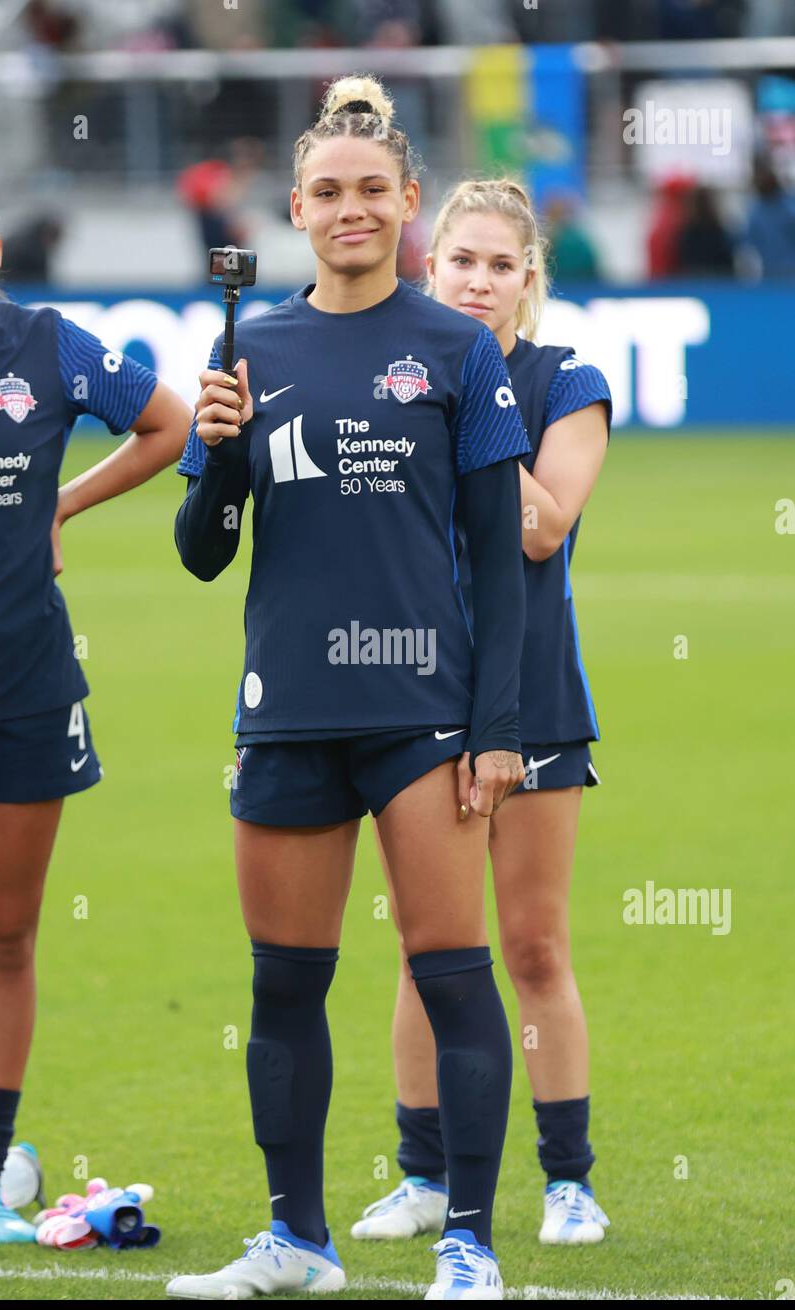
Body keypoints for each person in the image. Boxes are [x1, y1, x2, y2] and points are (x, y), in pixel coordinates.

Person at [167, 75, 531, 1302]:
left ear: (409, 201)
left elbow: (503, 560)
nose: (352, 209)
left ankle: (467, 1244)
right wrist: (215, 460)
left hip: (424, 720)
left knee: (452, 973)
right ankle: (297, 1241)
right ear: (297, 207)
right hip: (287, 715)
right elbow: (204, 551)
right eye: (328, 192)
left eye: (374, 190)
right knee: (284, 985)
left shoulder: (459, 349)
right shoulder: (249, 346)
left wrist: (497, 731)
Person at [350, 177, 612, 1247]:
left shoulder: (566, 379)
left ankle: (567, 1180)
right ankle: (422, 1175)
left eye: (503, 265)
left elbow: (542, 526)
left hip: (534, 693)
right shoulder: (392, 379)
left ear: (527, 283)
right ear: (430, 265)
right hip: (418, 695)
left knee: (534, 944)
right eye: (463, 260)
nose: (480, 279)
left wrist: (466, 411)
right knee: (430, 947)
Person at [0, 172, 192, 1244]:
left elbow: (168, 422)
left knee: (4, 933)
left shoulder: (48, 346)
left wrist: (64, 498)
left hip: (22, 684)